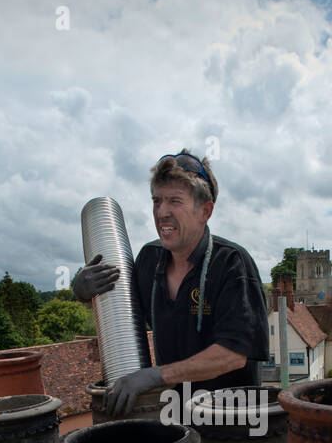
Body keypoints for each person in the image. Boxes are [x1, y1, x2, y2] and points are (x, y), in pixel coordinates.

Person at [73, 149, 270, 416]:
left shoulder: (232, 264)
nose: (162, 212)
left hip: (230, 426)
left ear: (205, 211)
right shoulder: (148, 260)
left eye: (175, 201)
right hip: (173, 419)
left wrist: (155, 376)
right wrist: (87, 293)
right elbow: (122, 321)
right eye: (156, 201)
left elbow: (232, 354)